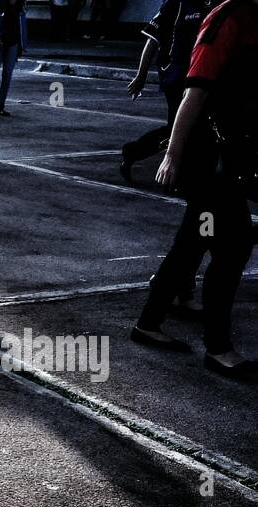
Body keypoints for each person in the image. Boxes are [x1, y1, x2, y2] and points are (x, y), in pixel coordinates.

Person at [131, 0, 257, 378]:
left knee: (194, 241)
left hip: (229, 158)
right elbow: (195, 92)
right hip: (208, 160)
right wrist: (172, 155)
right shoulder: (226, 19)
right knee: (232, 245)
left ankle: (149, 323)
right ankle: (218, 348)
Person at [120, 0, 218, 183]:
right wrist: (141, 76)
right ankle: (134, 153)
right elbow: (152, 41)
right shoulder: (176, 4)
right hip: (175, 76)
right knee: (178, 126)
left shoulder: (215, 5)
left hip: (201, 75)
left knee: (198, 126)